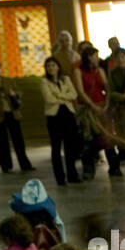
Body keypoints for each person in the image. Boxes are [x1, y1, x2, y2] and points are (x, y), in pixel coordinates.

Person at [74, 45, 120, 179]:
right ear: (88, 58)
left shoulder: (100, 70)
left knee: (108, 138)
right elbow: (80, 91)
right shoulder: (78, 71)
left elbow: (107, 87)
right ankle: (88, 169)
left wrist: (106, 103)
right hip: (88, 109)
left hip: (102, 107)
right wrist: (93, 106)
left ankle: (114, 167)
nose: (97, 58)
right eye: (95, 56)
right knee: (89, 140)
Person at [41, 57, 82, 186]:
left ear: (58, 67)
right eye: (48, 66)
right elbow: (49, 99)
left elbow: (74, 94)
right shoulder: (44, 82)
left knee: (70, 147)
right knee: (56, 148)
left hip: (68, 114)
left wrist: (59, 96)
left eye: (53, 65)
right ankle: (60, 178)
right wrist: (65, 97)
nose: (51, 68)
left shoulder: (65, 79)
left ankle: (72, 174)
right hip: (54, 116)